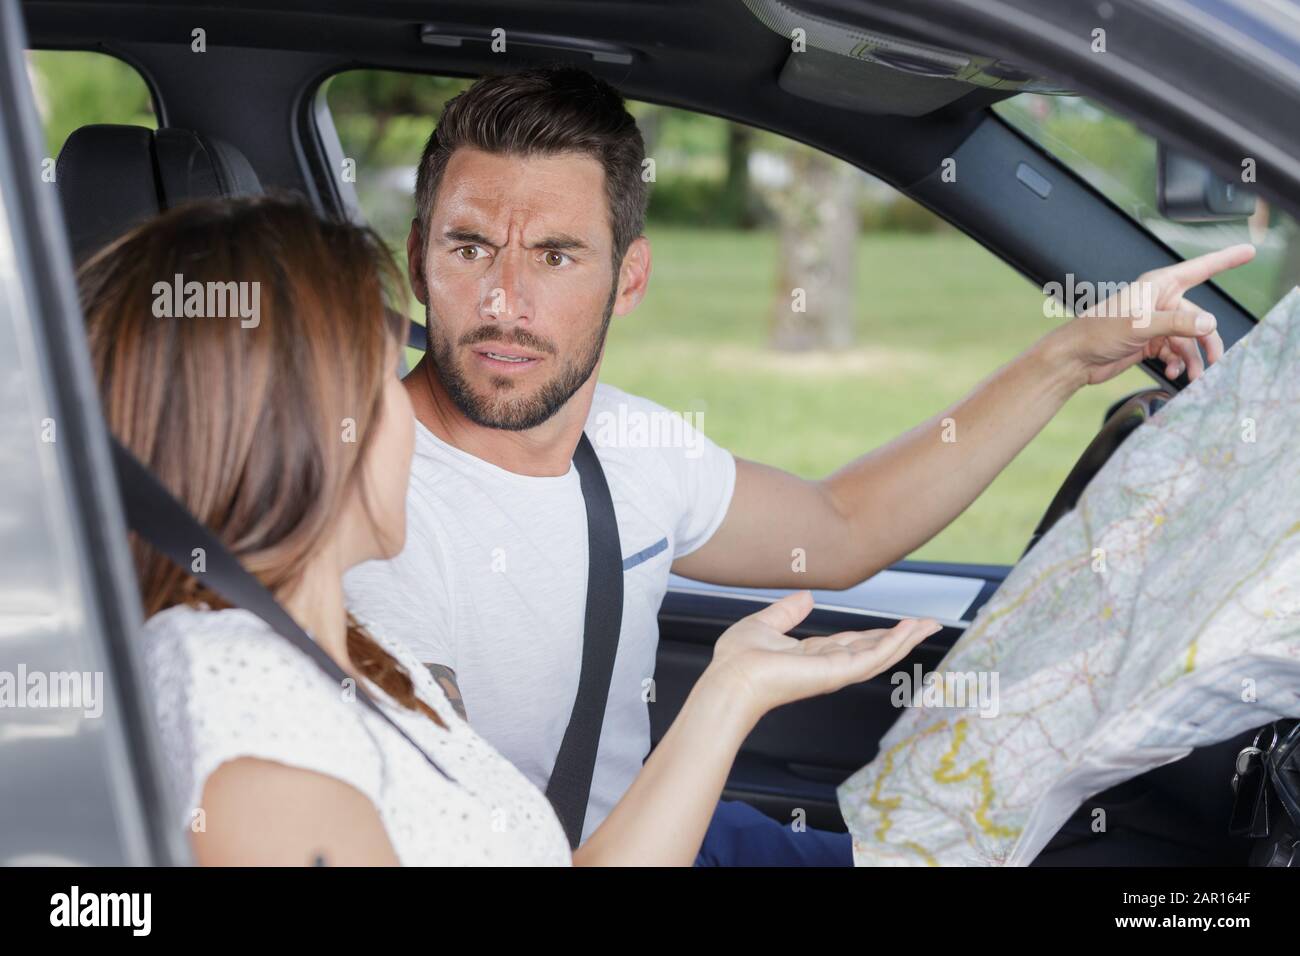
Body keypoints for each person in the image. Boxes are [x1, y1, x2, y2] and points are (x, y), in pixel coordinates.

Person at [342, 66, 1257, 865]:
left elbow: (840, 530)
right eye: (469, 247)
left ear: (629, 277)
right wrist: (731, 692)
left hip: (672, 833)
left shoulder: (628, 445)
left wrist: (1062, 361)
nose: (506, 299)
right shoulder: (366, 519)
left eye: (555, 254)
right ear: (419, 260)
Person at [81, 194, 937, 865]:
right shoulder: (261, 757)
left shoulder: (333, 652)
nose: (410, 411)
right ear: (295, 432)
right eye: (385, 379)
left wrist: (730, 692)